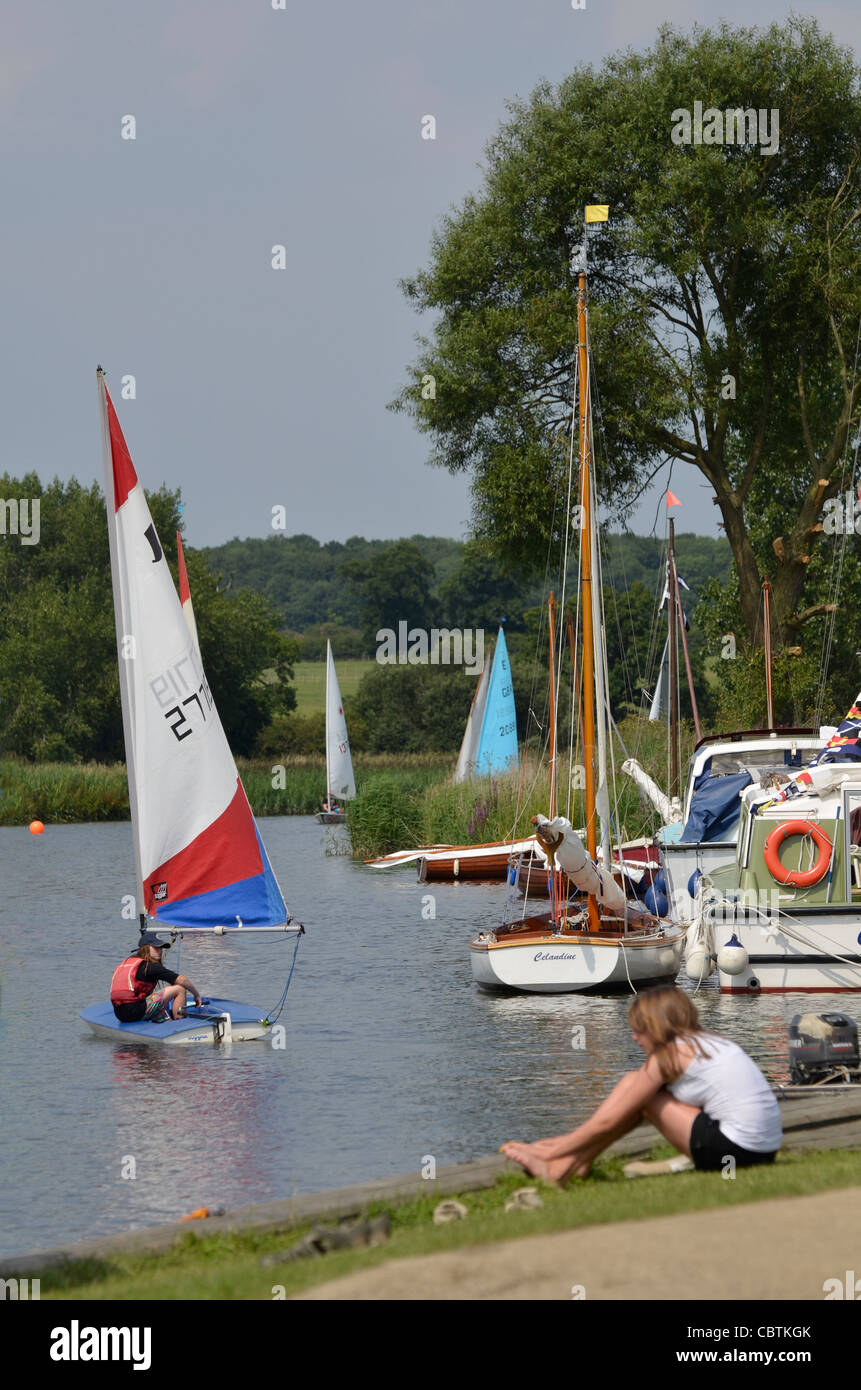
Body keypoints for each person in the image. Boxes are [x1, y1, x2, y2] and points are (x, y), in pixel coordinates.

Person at [501, 986, 782, 1181]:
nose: (635, 1039)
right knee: (637, 1089)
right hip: (762, 1152)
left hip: (736, 1154)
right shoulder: (707, 1042)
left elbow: (605, 1123)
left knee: (639, 1093)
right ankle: (573, 1165)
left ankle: (558, 1162)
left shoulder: (671, 1054)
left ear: (658, 1028)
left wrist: (549, 1148)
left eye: (639, 1030)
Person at [110, 932, 203, 1024]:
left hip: (120, 1014)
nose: (160, 950)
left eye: (161, 948)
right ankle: (179, 1022)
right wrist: (196, 995)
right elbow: (182, 980)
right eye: (156, 947)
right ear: (146, 948)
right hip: (136, 1013)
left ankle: (160, 1016)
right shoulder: (149, 967)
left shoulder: (127, 963)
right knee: (180, 989)